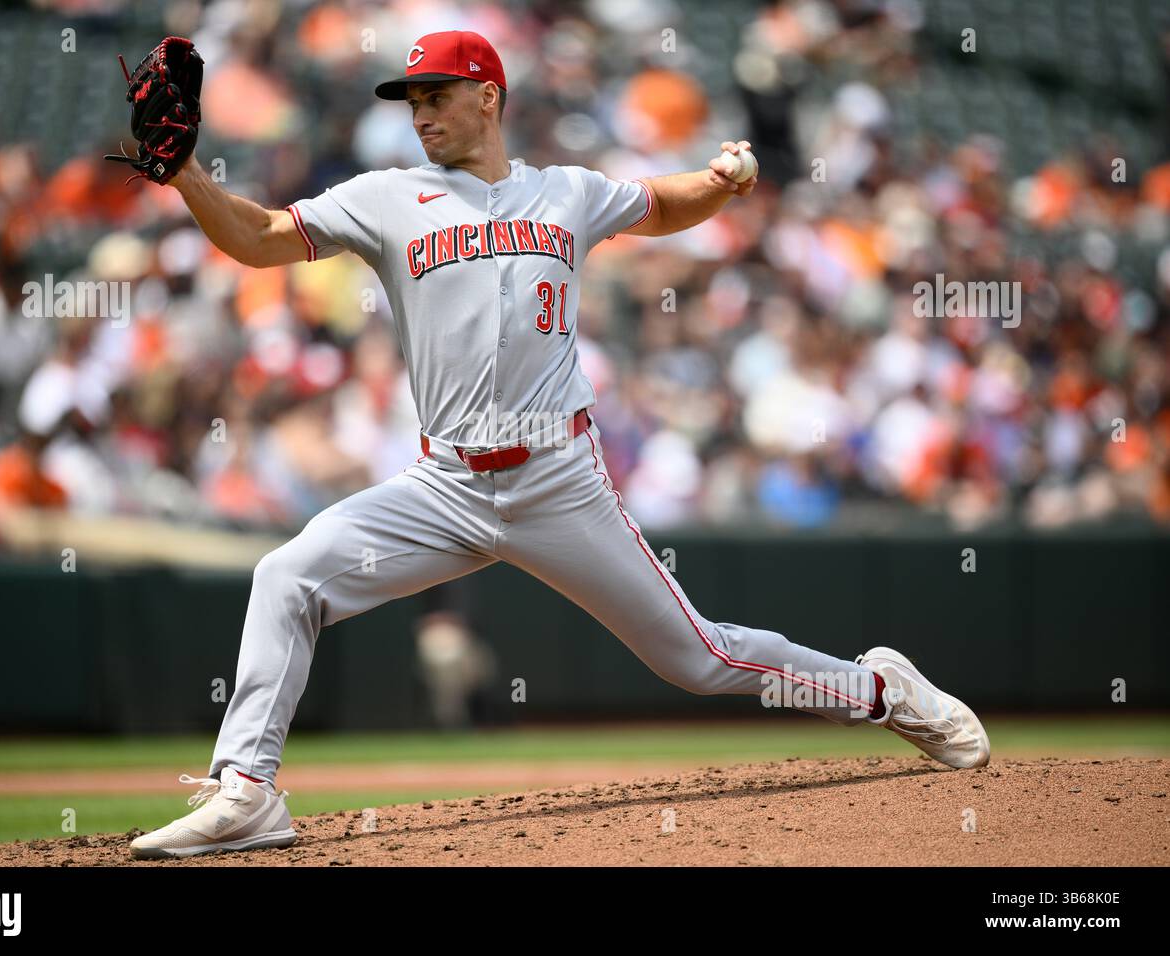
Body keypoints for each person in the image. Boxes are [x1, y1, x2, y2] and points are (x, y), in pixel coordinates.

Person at [130, 31, 990, 860]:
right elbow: (255, 239)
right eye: (411, 98)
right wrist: (187, 176)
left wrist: (723, 181)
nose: (420, 113)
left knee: (700, 659)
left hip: (559, 481)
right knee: (286, 574)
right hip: (445, 484)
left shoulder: (567, 192)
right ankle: (247, 790)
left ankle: (884, 692)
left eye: (437, 95)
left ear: (488, 97)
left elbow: (658, 205)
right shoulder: (385, 196)